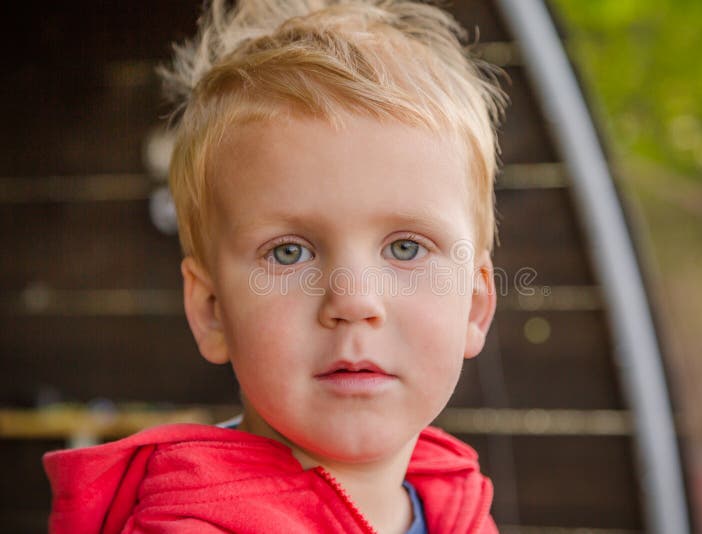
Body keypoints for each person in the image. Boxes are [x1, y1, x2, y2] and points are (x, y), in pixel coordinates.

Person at [43, 1, 508, 532]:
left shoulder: (459, 510)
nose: (354, 301)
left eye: (406, 248)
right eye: (290, 252)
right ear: (212, 310)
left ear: (474, 304)